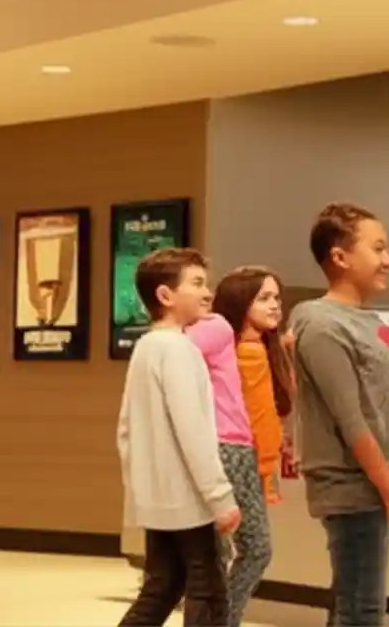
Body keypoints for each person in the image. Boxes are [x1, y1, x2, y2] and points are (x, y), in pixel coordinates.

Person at [290, 202, 389, 626]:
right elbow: (350, 420)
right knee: (361, 609)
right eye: (378, 248)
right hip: (353, 487)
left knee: (355, 603)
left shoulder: (363, 320)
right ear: (340, 256)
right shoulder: (322, 324)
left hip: (372, 488)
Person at [117, 247, 241, 627]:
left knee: (163, 587)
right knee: (209, 591)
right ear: (165, 296)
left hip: (157, 497)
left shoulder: (146, 348)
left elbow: (125, 429)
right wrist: (219, 496)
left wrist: (139, 488)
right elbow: (194, 431)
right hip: (188, 498)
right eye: (197, 283)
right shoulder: (179, 350)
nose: (208, 292)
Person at [185, 306, 269, 627]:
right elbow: (176, 352)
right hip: (228, 444)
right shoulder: (217, 327)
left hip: (235, 444)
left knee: (216, 556)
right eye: (265, 297)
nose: (275, 304)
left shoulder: (250, 344)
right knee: (253, 547)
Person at [213, 266, 295, 504]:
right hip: (250, 462)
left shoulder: (256, 348)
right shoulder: (248, 354)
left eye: (277, 298)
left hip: (254, 460)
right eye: (264, 298)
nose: (274, 305)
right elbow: (257, 415)